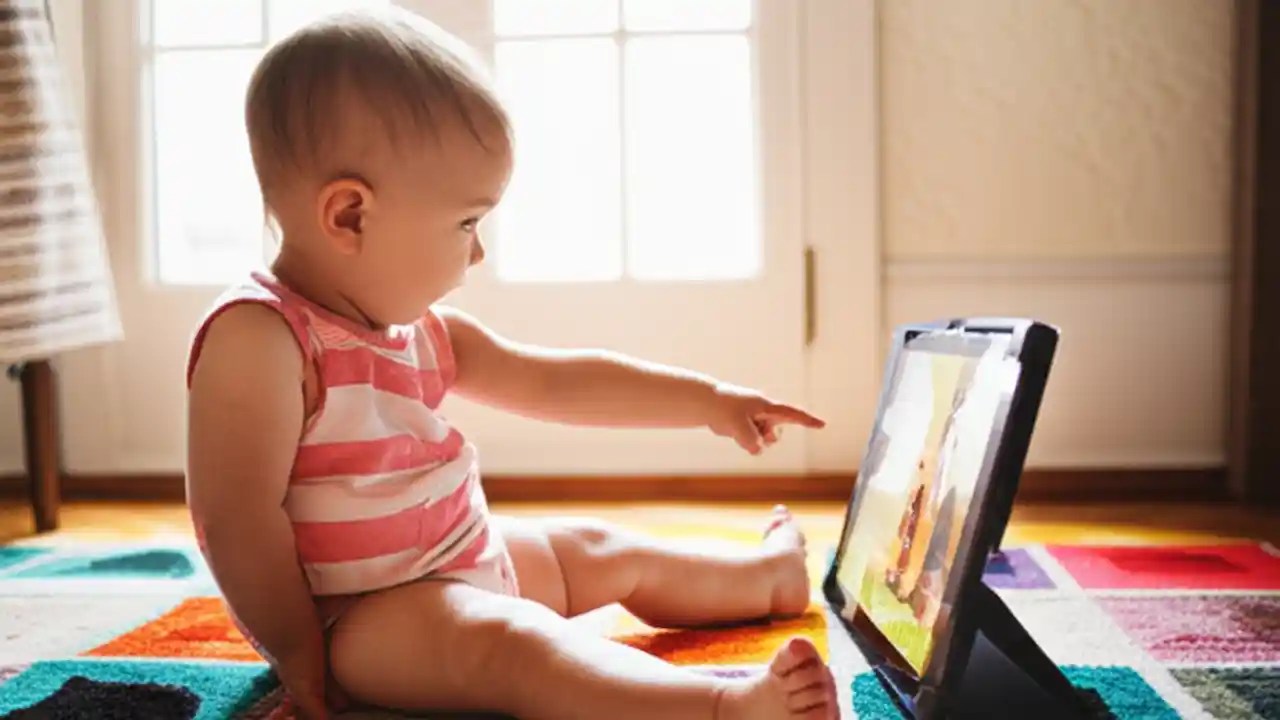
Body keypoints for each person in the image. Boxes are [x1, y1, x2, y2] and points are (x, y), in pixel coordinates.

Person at [184, 8, 838, 720]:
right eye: (466, 223)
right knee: (516, 645)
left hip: (465, 557)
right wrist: (300, 660)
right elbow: (237, 520)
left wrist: (709, 401)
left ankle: (770, 579)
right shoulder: (260, 339)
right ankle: (720, 706)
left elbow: (557, 381)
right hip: (363, 621)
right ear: (349, 216)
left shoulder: (417, 332)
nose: (477, 252)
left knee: (600, 548)